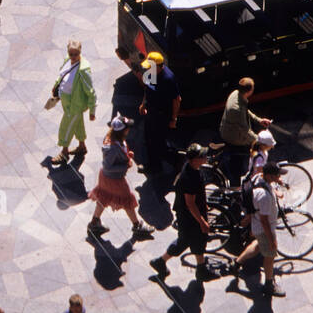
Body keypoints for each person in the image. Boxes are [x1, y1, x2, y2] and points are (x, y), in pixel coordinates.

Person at [150, 143, 219, 283]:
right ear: (194, 159)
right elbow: (190, 203)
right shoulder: (189, 177)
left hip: (191, 214)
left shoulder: (193, 168)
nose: (206, 157)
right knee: (187, 240)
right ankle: (161, 262)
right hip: (189, 217)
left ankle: (199, 269)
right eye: (202, 156)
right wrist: (202, 221)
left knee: (194, 240)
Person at [86, 117, 151, 241]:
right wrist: (125, 165)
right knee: (127, 200)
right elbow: (108, 166)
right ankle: (137, 226)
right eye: (127, 128)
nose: (129, 130)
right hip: (115, 179)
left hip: (105, 177)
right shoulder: (113, 147)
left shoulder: (114, 140)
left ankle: (94, 222)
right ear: (123, 131)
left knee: (103, 197)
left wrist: (127, 156)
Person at [226, 161, 286, 297]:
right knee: (270, 256)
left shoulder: (259, 177)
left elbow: (268, 186)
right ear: (270, 176)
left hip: (257, 224)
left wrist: (276, 191)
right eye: (277, 175)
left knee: (258, 245)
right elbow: (264, 221)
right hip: (264, 228)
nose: (279, 178)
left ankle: (236, 265)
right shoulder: (264, 197)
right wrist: (272, 240)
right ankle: (269, 285)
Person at [50, 38, 96, 164]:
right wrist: (56, 86)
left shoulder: (83, 70)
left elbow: (91, 91)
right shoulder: (67, 60)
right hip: (67, 102)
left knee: (66, 127)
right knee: (77, 123)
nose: (73, 57)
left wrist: (92, 110)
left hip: (75, 105)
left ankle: (64, 152)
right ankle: (82, 146)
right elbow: (62, 75)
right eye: (71, 54)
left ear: (80, 52)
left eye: (76, 54)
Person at [219, 77, 271, 186]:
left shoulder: (236, 94)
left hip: (230, 130)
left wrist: (259, 120)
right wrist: (260, 140)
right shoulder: (236, 108)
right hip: (233, 138)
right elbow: (245, 131)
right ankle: (236, 189)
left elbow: (245, 111)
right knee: (238, 163)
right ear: (249, 91)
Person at [138, 51, 180, 175]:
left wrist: (173, 119)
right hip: (151, 111)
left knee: (158, 143)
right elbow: (148, 88)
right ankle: (154, 164)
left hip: (162, 115)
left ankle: (171, 162)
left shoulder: (168, 78)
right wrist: (143, 103)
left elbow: (177, 100)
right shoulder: (151, 72)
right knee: (149, 140)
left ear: (159, 66)